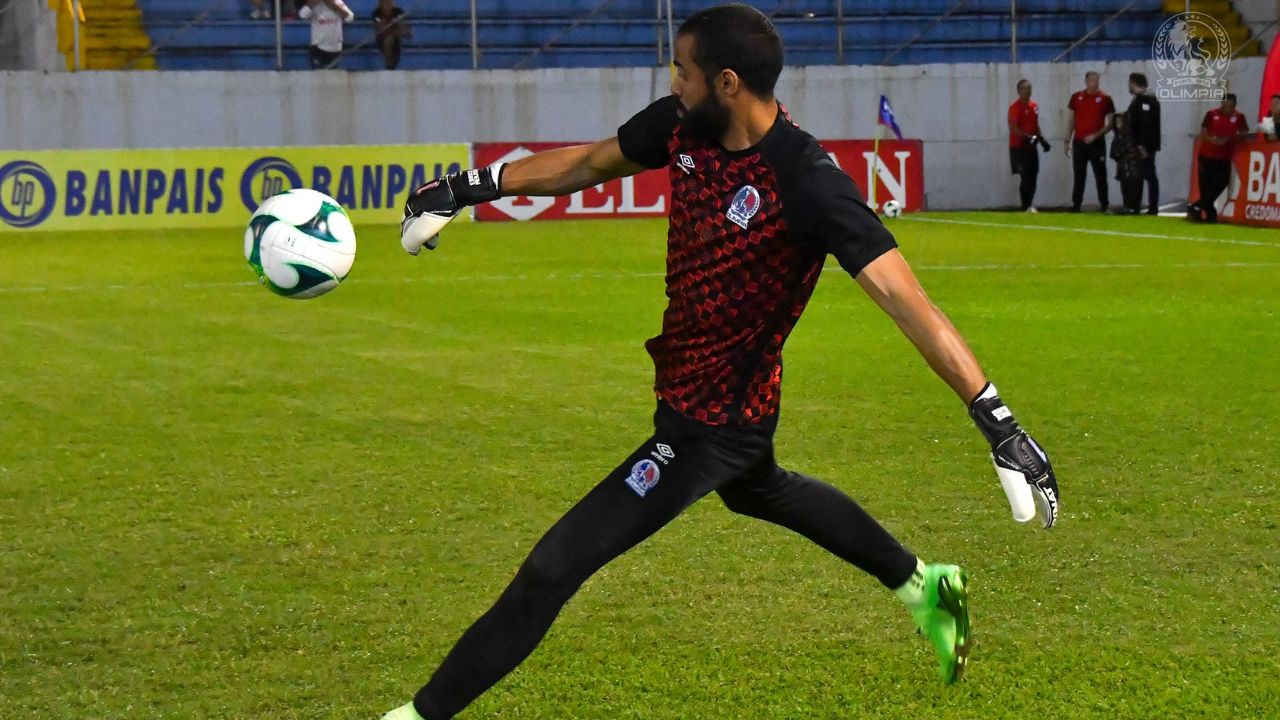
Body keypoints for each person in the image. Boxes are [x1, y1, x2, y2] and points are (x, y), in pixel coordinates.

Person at [384, 6, 1061, 719]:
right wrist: (469, 186)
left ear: (728, 82)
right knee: (759, 489)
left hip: (714, 422)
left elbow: (905, 299)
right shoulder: (683, 126)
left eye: (683, 69)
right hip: (693, 396)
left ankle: (419, 714)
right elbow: (587, 163)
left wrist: (996, 419)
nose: (673, 81)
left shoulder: (806, 180)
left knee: (551, 569)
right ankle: (927, 586)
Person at [1191, 93, 1249, 223]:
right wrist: (1213, 140)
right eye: (1224, 104)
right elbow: (1203, 133)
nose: (1226, 108)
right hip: (1206, 156)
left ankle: (1197, 206)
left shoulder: (1239, 117)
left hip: (1224, 157)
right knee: (1205, 187)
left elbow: (1244, 133)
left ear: (1234, 106)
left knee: (1221, 183)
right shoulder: (1211, 114)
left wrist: (1231, 138)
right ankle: (1208, 215)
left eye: (1230, 106)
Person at [1064, 71, 1115, 212]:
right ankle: (1076, 205)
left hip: (1097, 143)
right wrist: (1067, 140)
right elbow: (1071, 120)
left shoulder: (1105, 98)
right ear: (1086, 81)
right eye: (1092, 81)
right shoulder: (1076, 97)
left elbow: (1111, 123)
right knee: (1079, 175)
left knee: (1100, 174)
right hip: (1079, 142)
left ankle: (1104, 205)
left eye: (1097, 81)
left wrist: (1096, 135)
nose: (1095, 84)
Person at [1007, 78, 1049, 212]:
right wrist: (1027, 137)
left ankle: (1029, 203)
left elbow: (1035, 125)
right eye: (1024, 89)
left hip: (1031, 147)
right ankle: (1025, 205)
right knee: (1025, 176)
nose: (1027, 91)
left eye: (1029, 89)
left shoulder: (1034, 106)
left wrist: (1042, 141)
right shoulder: (1015, 108)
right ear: (1018, 91)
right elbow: (1013, 128)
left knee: (1033, 175)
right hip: (1019, 147)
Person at [1124, 73, 1161, 215]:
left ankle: (1152, 206)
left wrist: (1140, 145)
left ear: (1134, 83)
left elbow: (1145, 124)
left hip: (1145, 146)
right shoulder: (1141, 100)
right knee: (1143, 174)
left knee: (1149, 174)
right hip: (1143, 144)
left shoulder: (1146, 100)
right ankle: (1139, 204)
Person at [298, 0, 354, 70]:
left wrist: (334, 7)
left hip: (335, 48)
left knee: (333, 78)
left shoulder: (338, 2)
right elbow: (302, 15)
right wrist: (311, 4)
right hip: (318, 47)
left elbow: (350, 18)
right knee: (318, 77)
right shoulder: (315, 4)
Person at [1110, 114, 1144, 215]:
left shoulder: (1131, 136)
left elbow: (1128, 149)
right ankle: (1128, 207)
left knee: (1134, 188)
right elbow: (1113, 152)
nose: (1118, 124)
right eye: (1116, 122)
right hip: (1123, 167)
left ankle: (1134, 208)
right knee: (1125, 188)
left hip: (1133, 167)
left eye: (1120, 121)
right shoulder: (1117, 135)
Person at [372, 0, 408, 70]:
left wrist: (399, 23)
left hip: (397, 40)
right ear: (380, 3)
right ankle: (389, 67)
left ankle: (391, 66)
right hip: (381, 40)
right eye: (384, 2)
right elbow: (378, 30)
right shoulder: (376, 14)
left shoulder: (399, 13)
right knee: (388, 40)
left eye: (389, 2)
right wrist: (386, 26)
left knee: (390, 39)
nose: (387, 5)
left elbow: (407, 32)